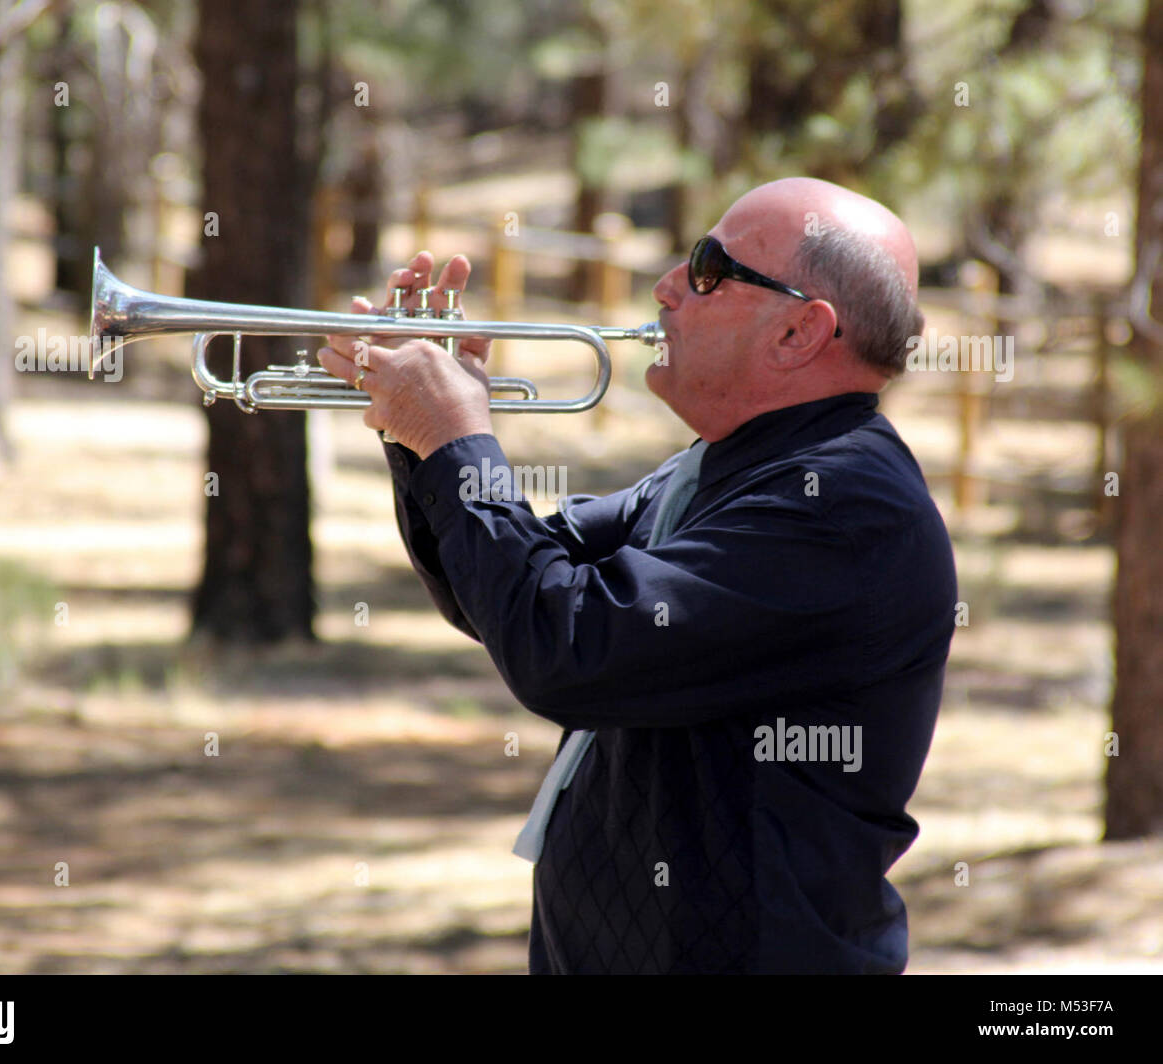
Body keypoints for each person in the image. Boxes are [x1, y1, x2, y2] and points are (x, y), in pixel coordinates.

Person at [316, 176, 957, 974]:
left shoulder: (844, 507)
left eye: (709, 268)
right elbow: (503, 595)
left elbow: (567, 644)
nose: (667, 287)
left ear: (798, 331)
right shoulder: (729, 470)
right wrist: (419, 437)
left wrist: (454, 440)